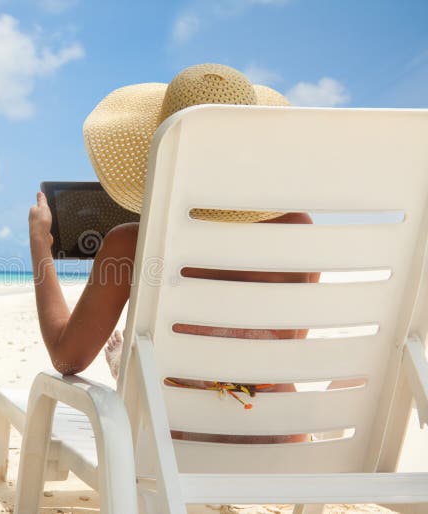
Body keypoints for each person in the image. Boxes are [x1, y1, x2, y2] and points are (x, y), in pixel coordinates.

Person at [29, 64, 320, 423]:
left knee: (149, 376)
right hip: (276, 437)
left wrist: (41, 246)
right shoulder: (300, 229)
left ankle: (162, 369)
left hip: (168, 447)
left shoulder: (131, 243)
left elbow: (67, 358)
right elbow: (285, 349)